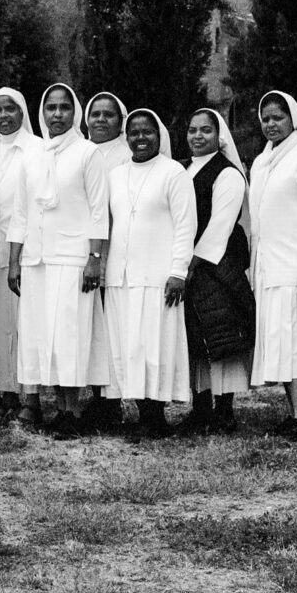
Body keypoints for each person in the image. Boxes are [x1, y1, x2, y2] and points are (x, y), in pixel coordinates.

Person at [8, 84, 108, 438]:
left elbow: (99, 212)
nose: (57, 114)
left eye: (65, 107)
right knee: (39, 336)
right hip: (36, 259)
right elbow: (19, 214)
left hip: (73, 259)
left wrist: (94, 258)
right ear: (42, 112)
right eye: (51, 107)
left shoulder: (87, 153)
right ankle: (49, 407)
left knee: (69, 335)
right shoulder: (31, 156)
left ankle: (71, 412)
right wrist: (15, 261)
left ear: (75, 112)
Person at [102, 109, 196, 438]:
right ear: (125, 137)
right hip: (122, 276)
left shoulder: (173, 173)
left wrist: (178, 271)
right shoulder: (115, 175)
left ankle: (156, 415)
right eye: (134, 132)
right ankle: (140, 410)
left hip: (159, 275)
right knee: (129, 346)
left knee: (155, 345)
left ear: (159, 135)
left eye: (147, 132)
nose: (140, 138)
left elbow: (186, 226)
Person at [248, 91, 297, 440]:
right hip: (268, 268)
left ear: (292, 119)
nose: (270, 124)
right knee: (278, 343)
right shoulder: (262, 161)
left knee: (294, 342)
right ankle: (295, 413)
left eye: (277, 117)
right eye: (265, 118)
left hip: (295, 267)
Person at [180, 108, 255, 433]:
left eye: (206, 130)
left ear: (219, 135)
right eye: (193, 130)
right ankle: (200, 407)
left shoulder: (228, 173)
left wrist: (192, 263)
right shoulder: (182, 169)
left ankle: (224, 411)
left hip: (217, 264)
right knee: (196, 336)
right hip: (187, 264)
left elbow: (220, 225)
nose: (198, 136)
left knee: (223, 334)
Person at [0, 87, 41, 423]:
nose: (3, 116)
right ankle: (0, 391)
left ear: (22, 112)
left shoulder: (37, 150)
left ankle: (30, 396)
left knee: (24, 322)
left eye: (10, 109)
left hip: (26, 246)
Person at [82, 91, 131, 428]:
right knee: (90, 328)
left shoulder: (128, 155)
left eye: (108, 115)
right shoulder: (79, 152)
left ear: (121, 121)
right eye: (95, 114)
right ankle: (96, 396)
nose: (100, 120)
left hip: (116, 252)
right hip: (79, 251)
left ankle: (113, 401)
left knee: (112, 328)